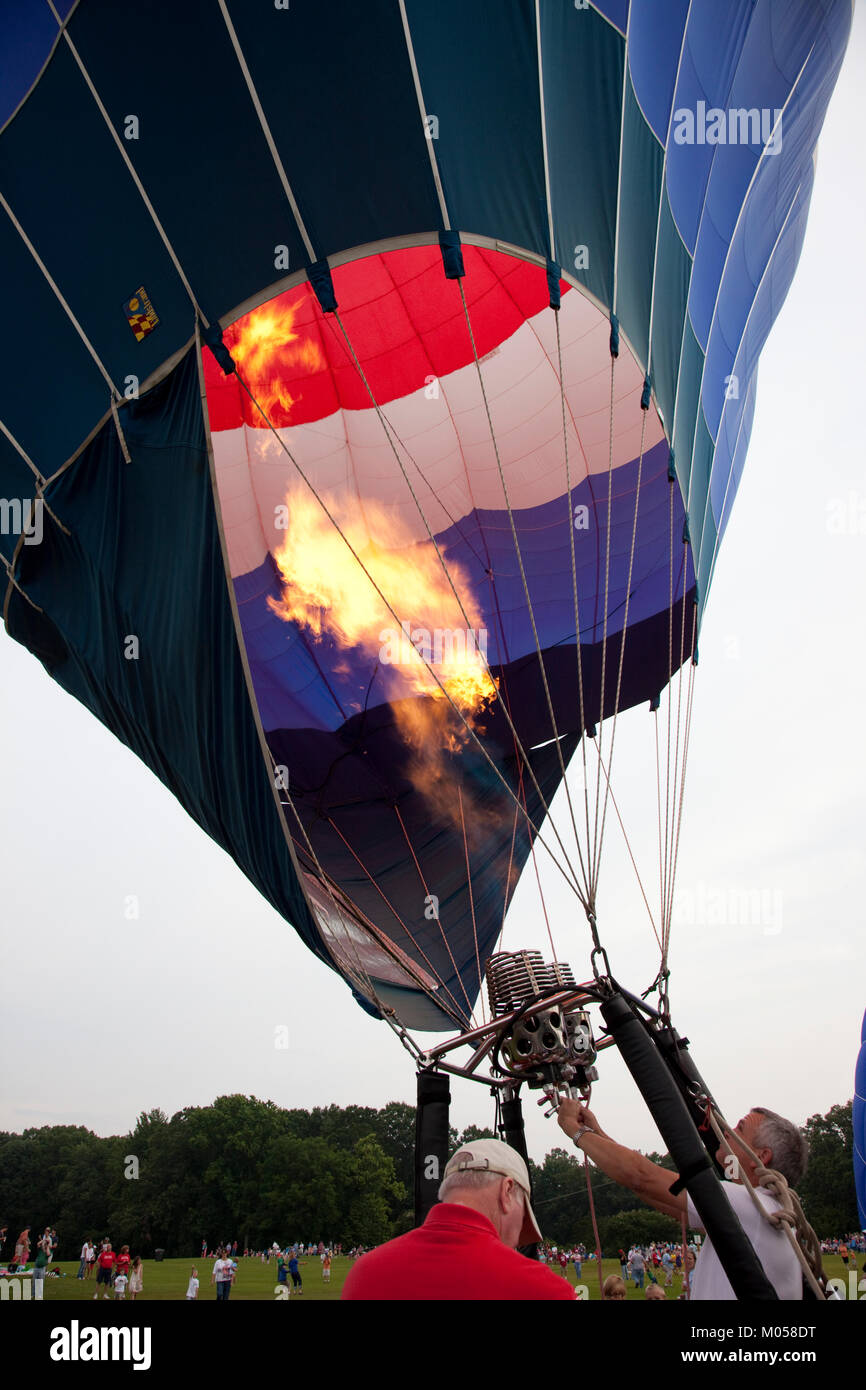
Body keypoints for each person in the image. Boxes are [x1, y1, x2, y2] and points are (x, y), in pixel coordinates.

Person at [558, 1099, 808, 1300]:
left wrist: (574, 1129)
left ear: (761, 1156)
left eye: (740, 1128)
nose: (728, 1131)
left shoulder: (749, 1206)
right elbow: (651, 1190)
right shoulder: (764, 1211)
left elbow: (641, 1176)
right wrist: (596, 1133)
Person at [342, 1138, 575, 1301]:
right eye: (523, 1215)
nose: (517, 1242)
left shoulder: (365, 1272)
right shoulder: (545, 1289)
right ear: (507, 1191)